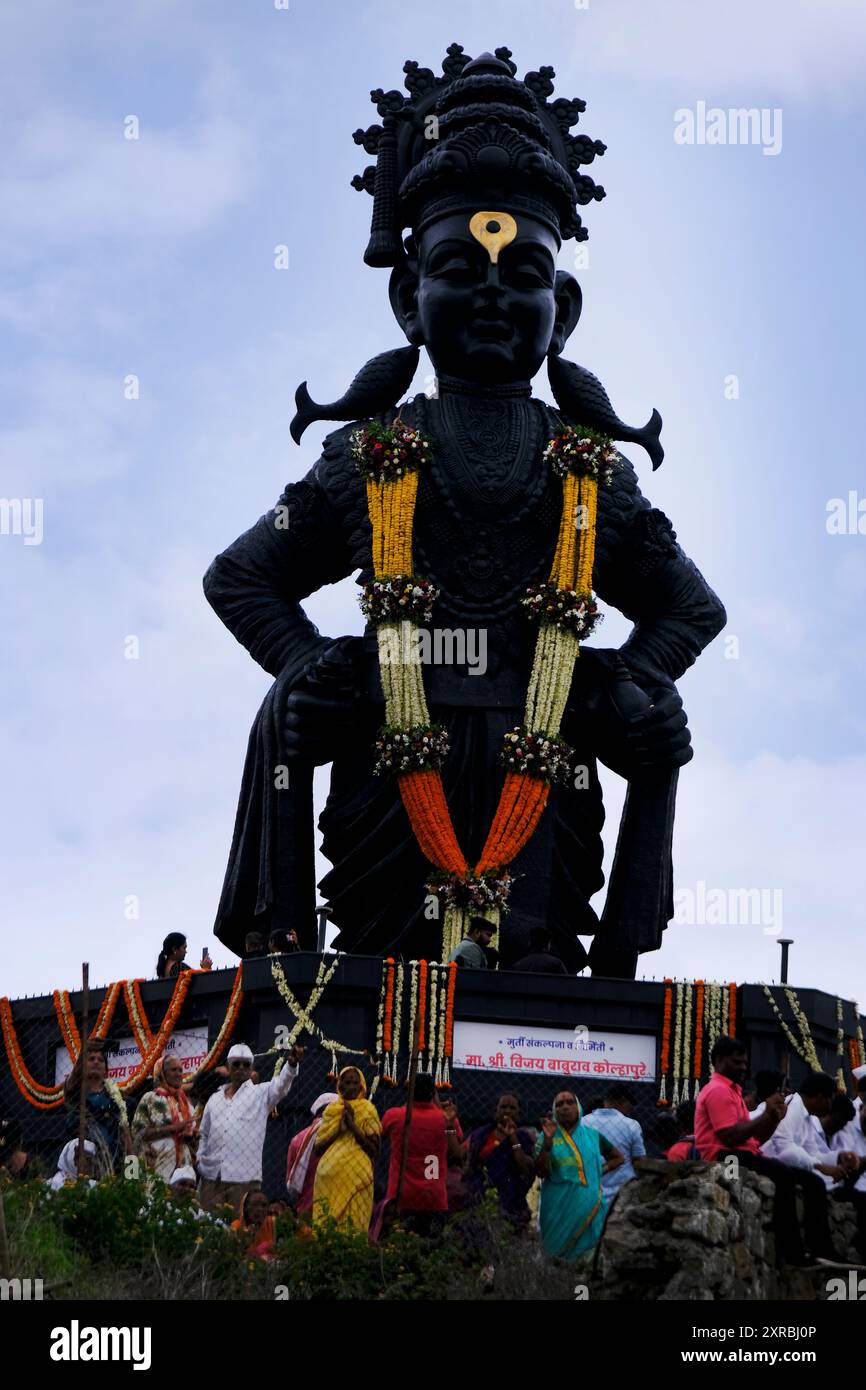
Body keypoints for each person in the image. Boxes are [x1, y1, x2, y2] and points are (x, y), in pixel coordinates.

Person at [694, 1036, 843, 1265]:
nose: (744, 1067)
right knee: (783, 1176)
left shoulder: (733, 1091)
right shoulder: (717, 1090)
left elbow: (754, 1139)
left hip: (740, 1153)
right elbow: (729, 1137)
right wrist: (764, 1115)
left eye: (744, 1062)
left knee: (813, 1182)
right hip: (724, 1157)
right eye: (737, 1062)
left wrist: (773, 1120)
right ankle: (793, 1253)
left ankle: (821, 1249)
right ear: (719, 1060)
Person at [197, 1042, 303, 1215]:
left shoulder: (260, 1094)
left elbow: (281, 1086)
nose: (241, 1068)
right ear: (227, 1067)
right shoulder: (215, 1099)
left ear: (251, 1068)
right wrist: (200, 1160)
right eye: (236, 1064)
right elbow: (204, 1133)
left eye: (246, 1064)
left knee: (241, 1231)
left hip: (243, 1179)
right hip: (211, 1176)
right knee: (206, 1230)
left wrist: (291, 1065)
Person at [535, 1090, 624, 1264]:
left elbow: (618, 1157)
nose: (565, 1107)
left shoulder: (592, 1135)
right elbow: (541, 1172)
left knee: (589, 1261)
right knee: (554, 1261)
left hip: (591, 1207)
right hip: (557, 1208)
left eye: (570, 1102)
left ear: (578, 1108)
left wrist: (600, 1170)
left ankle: (585, 1290)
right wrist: (547, 1143)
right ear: (554, 1111)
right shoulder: (545, 1137)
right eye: (559, 1104)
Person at [380, 1074, 462, 1235]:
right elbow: (457, 1149)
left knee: (399, 1246)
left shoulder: (395, 1116)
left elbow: (378, 1137)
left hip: (402, 1195)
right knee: (431, 1250)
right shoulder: (445, 1119)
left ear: (409, 1091)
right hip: (434, 1196)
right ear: (433, 1094)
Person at [312, 1066, 381, 1233]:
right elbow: (317, 1149)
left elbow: (375, 1151)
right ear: (339, 1086)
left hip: (358, 1176)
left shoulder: (368, 1109)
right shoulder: (331, 1110)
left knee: (354, 1228)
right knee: (326, 1230)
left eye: (355, 1083)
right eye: (347, 1082)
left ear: (362, 1086)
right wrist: (339, 1130)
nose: (351, 1087)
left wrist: (353, 1127)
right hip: (329, 1177)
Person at [463, 1093, 537, 1229]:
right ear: (495, 1111)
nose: (507, 1111)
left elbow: (525, 1169)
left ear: (519, 1113)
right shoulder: (481, 1135)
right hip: (481, 1201)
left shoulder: (524, 1137)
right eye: (503, 1107)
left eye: (512, 1108)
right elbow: (470, 1165)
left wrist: (513, 1138)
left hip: (512, 1205)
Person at [63, 1042, 132, 1175]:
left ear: (106, 1069)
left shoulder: (115, 1096)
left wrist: (132, 1175)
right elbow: (72, 1081)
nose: (96, 1062)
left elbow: (126, 1135)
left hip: (113, 1162)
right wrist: (86, 1047)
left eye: (100, 1060)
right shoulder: (76, 1091)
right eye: (91, 1059)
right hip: (84, 1162)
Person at [131, 1054, 197, 1180]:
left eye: (180, 1070)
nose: (178, 1074)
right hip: (156, 1164)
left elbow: (195, 1140)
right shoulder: (150, 1098)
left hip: (184, 1168)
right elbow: (137, 1133)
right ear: (162, 1073)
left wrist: (191, 1136)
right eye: (173, 1070)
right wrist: (173, 1129)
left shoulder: (186, 1103)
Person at [582, 1083, 646, 1199]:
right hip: (621, 1194)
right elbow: (639, 1160)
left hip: (589, 1191)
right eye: (631, 1106)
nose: (631, 1111)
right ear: (623, 1101)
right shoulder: (631, 1124)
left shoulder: (583, 1122)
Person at [285, 1091, 339, 1219]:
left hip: (306, 1210)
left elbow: (291, 1184)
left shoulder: (297, 1140)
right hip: (337, 1208)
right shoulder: (343, 1136)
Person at [231, 1188, 276, 1259]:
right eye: (255, 1204)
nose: (260, 1209)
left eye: (264, 1205)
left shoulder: (271, 1223)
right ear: (245, 1207)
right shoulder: (237, 1226)